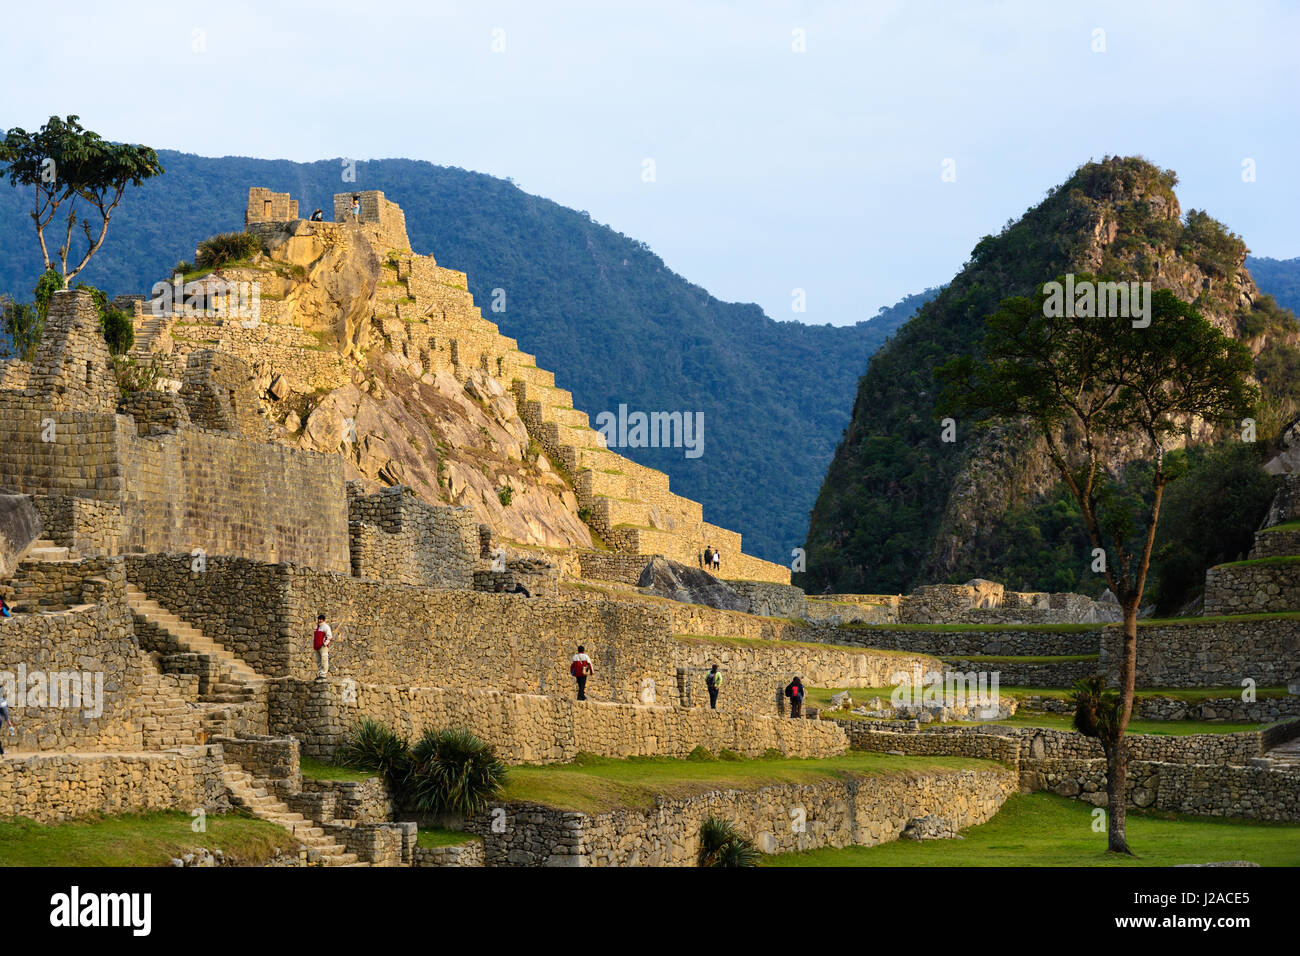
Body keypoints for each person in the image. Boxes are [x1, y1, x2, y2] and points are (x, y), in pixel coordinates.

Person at [312, 613, 333, 679]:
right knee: (318, 661)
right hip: (317, 646)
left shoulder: (326, 627)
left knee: (324, 659)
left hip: (323, 646)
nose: (319, 620)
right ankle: (320, 673)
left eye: (321, 619)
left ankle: (323, 674)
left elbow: (329, 636)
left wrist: (325, 644)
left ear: (323, 620)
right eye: (319, 619)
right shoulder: (316, 627)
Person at [0, 689, 14, 755]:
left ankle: (1, 752)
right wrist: (8, 721)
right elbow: (5, 712)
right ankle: (2, 752)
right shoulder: (2, 700)